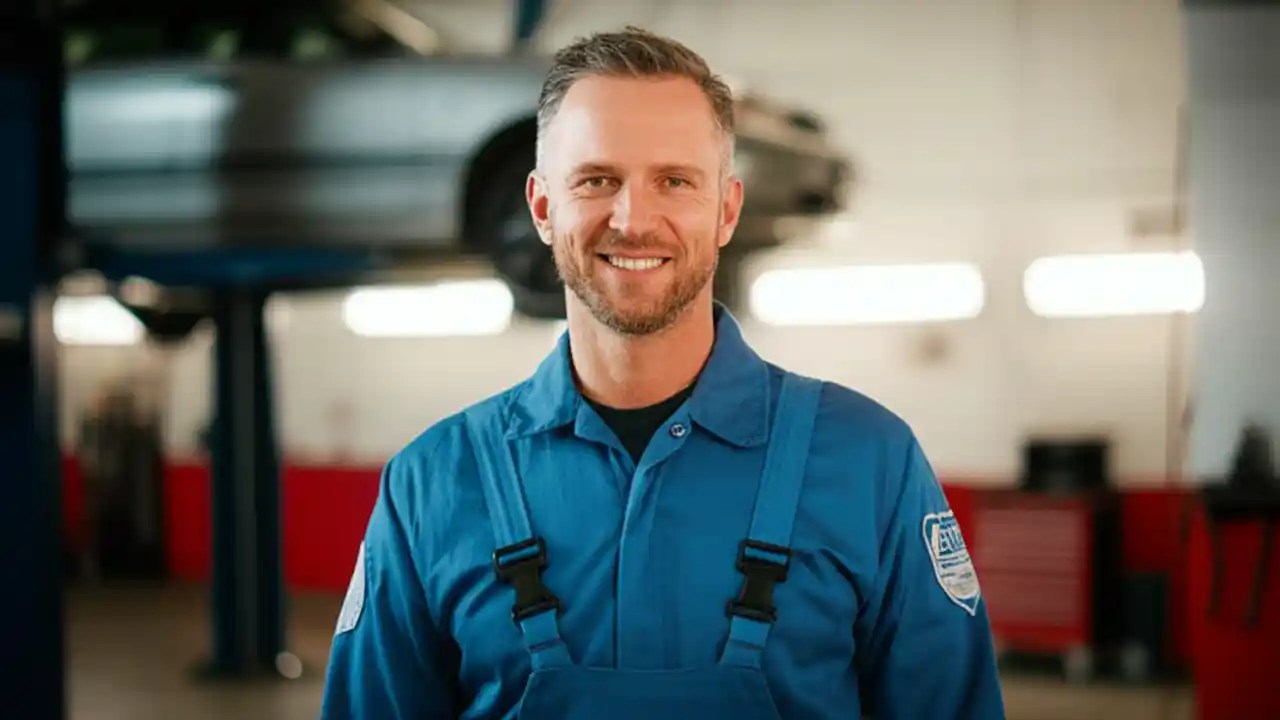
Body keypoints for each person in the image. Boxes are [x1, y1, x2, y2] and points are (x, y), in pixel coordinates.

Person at [321, 26, 1004, 719]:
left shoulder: (871, 463)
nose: (633, 218)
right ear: (542, 208)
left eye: (674, 181)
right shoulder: (431, 484)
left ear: (726, 209)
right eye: (597, 180)